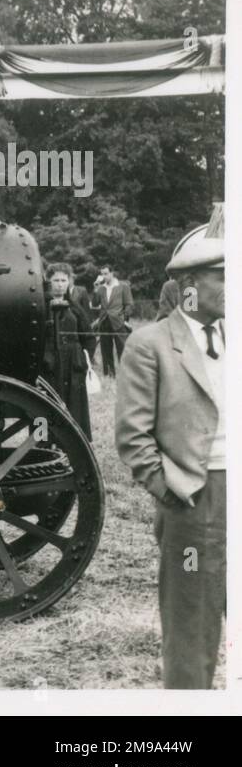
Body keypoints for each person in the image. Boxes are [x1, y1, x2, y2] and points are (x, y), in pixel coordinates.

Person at [115, 228, 225, 689]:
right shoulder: (150, 344)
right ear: (190, 286)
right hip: (197, 502)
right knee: (191, 630)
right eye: (224, 277)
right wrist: (176, 493)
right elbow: (132, 437)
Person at [41, 262, 96, 438]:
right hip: (50, 365)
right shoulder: (41, 307)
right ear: (48, 281)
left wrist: (83, 360)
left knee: (75, 407)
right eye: (56, 280)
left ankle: (75, 444)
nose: (59, 284)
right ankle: (44, 443)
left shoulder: (75, 308)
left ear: (69, 282)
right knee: (46, 406)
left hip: (74, 366)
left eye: (63, 280)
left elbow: (88, 337)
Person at [92, 264, 134, 377]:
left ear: (112, 273)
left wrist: (124, 319)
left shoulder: (123, 286)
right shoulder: (101, 288)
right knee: (106, 350)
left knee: (122, 349)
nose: (104, 276)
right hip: (104, 322)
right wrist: (95, 288)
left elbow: (129, 304)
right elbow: (95, 303)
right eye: (102, 274)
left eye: (106, 273)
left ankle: (126, 375)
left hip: (118, 322)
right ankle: (110, 375)